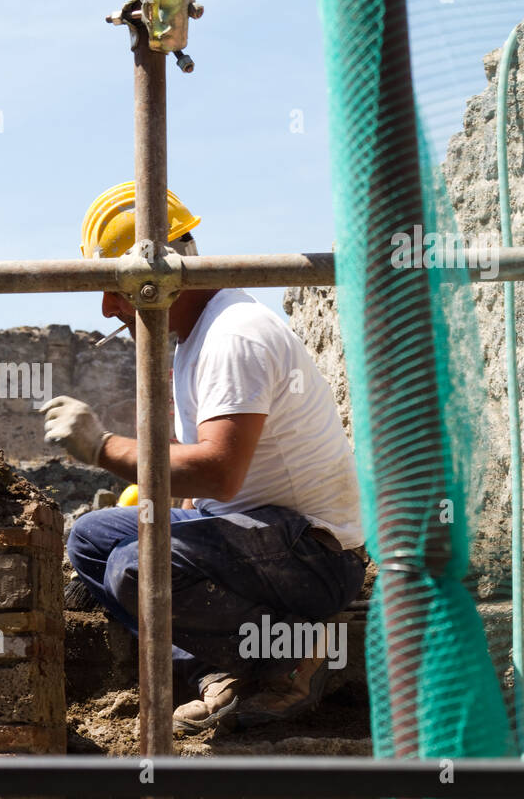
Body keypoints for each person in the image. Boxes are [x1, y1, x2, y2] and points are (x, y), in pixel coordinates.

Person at [42, 181, 367, 735]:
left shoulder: (234, 336)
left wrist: (101, 446)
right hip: (258, 535)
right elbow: (199, 477)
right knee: (92, 539)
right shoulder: (197, 335)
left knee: (137, 566)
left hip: (312, 553)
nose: (105, 307)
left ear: (158, 272)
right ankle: (217, 671)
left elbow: (218, 471)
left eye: (112, 286)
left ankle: (293, 655)